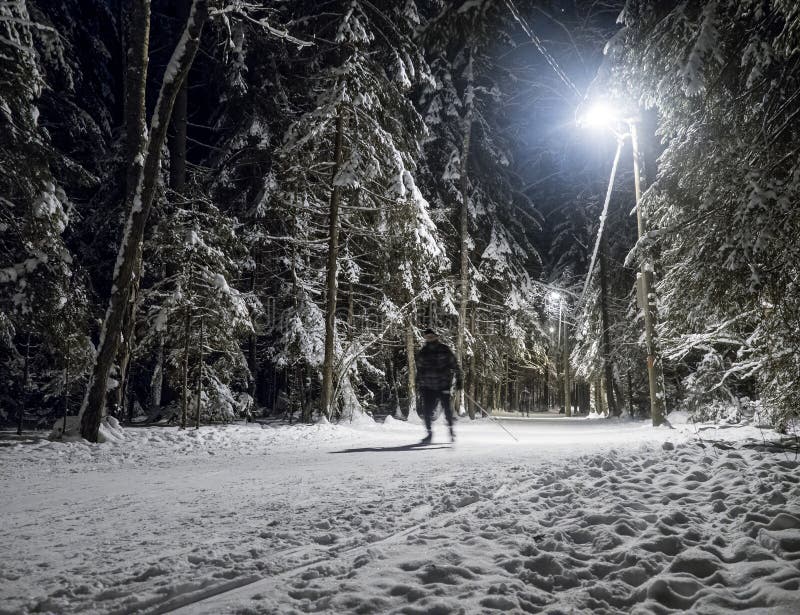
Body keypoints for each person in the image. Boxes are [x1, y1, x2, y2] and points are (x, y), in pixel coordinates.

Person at [415, 328, 463, 443]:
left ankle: (451, 430)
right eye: (427, 337)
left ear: (436, 337)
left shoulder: (444, 350)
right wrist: (418, 382)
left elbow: (455, 365)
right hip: (428, 387)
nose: (429, 338)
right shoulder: (423, 352)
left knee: (447, 410)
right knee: (427, 412)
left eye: (431, 336)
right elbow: (420, 369)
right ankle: (429, 434)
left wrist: (459, 380)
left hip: (443, 385)